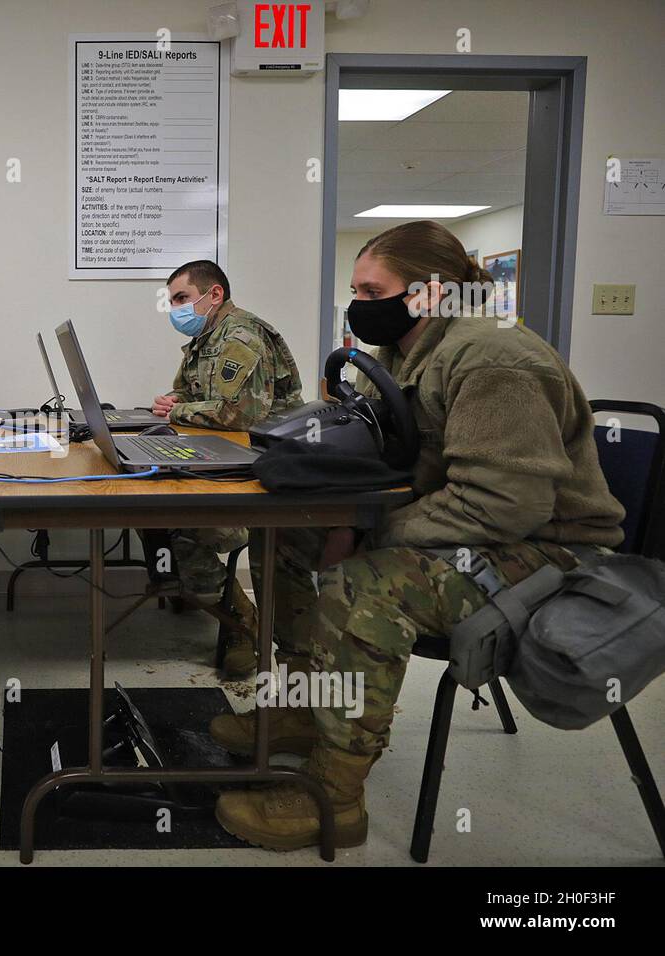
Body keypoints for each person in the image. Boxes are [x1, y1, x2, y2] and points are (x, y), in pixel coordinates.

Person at [212, 220, 625, 850]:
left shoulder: (495, 360)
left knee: (365, 584)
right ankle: (305, 704)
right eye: (356, 290)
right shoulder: (408, 349)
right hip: (480, 527)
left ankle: (335, 799)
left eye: (371, 289)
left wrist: (372, 531)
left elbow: (503, 504)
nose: (359, 304)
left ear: (429, 293)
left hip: (544, 551)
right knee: (286, 537)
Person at [148, 260, 304, 677]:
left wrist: (179, 408)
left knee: (177, 522)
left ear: (213, 294)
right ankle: (230, 610)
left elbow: (241, 414)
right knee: (156, 507)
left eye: (181, 298)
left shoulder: (241, 336)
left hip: (264, 470)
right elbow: (185, 394)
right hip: (226, 457)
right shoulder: (205, 339)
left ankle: (240, 622)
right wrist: (171, 404)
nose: (175, 309)